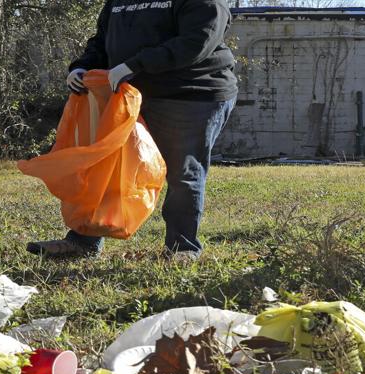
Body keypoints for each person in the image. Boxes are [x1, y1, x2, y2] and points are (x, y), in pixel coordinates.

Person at [28, 0, 238, 262]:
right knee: (106, 166)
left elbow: (197, 41)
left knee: (183, 172)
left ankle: (182, 248)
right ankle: (83, 242)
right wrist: (82, 66)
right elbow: (103, 39)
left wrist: (134, 65)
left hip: (190, 94)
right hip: (130, 93)